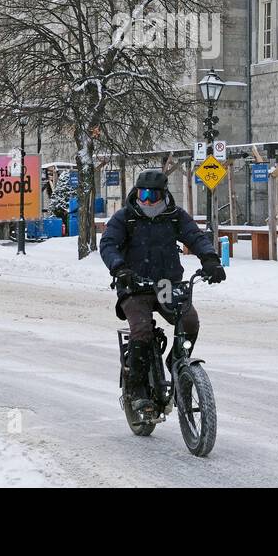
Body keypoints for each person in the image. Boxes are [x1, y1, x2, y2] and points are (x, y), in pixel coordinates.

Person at [98, 169, 225, 414]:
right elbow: (108, 245)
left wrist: (210, 259)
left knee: (189, 322)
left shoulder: (175, 216)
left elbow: (195, 236)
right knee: (142, 329)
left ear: (163, 195)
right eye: (142, 194)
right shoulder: (125, 218)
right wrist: (120, 268)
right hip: (135, 287)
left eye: (152, 195)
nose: (146, 200)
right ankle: (138, 390)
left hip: (168, 286)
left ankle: (177, 360)